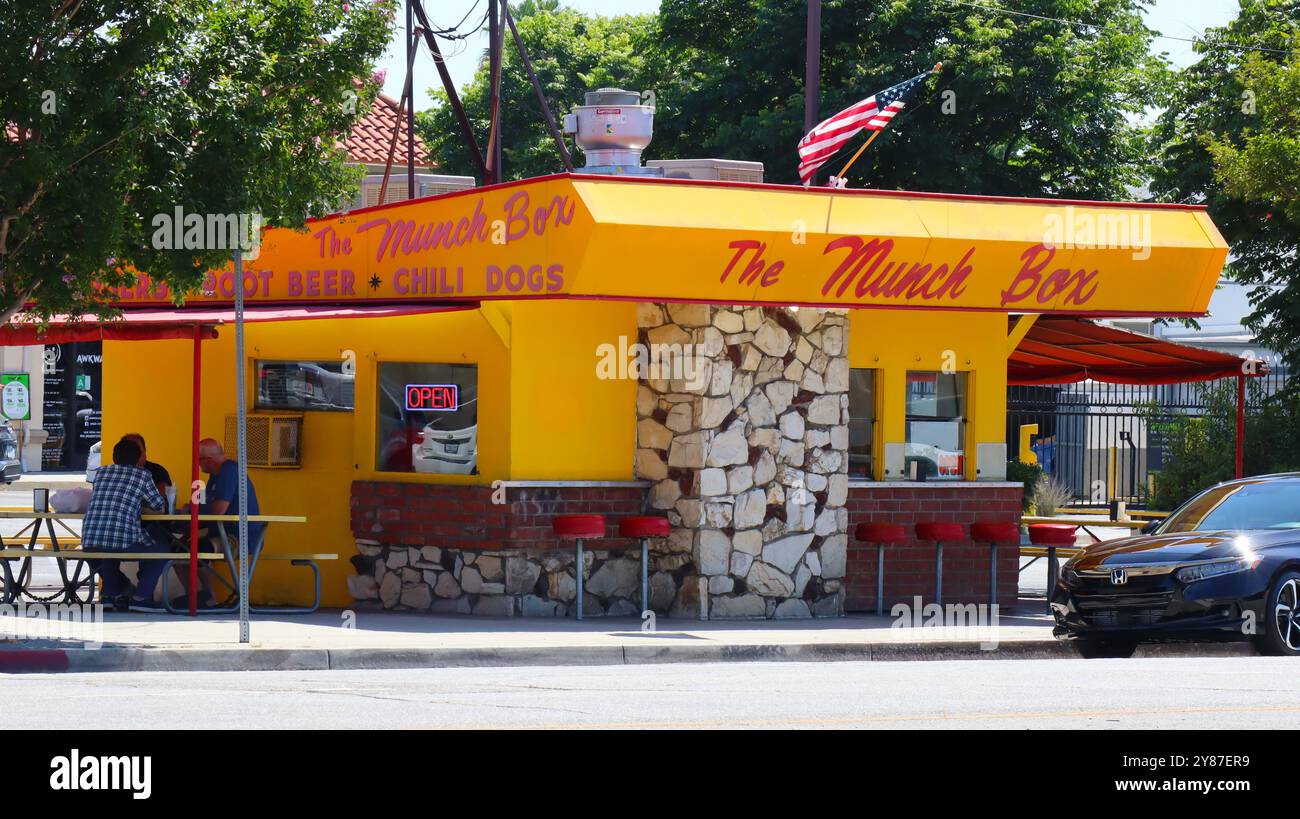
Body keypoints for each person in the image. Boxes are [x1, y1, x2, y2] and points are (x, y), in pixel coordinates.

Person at [82, 438, 170, 612]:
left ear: (114, 458)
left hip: (89, 540)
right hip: (121, 540)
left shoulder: (101, 472)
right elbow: (158, 505)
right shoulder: (143, 475)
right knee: (162, 551)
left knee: (108, 549)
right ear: (140, 459)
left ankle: (109, 594)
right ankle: (141, 597)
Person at [175, 438, 263, 607]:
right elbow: (205, 507)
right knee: (178, 547)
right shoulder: (215, 476)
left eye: (198, 461)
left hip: (238, 538)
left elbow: (218, 510)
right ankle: (204, 597)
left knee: (191, 550)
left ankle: (202, 597)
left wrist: (191, 509)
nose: (198, 466)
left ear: (208, 460)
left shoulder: (228, 472)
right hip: (221, 533)